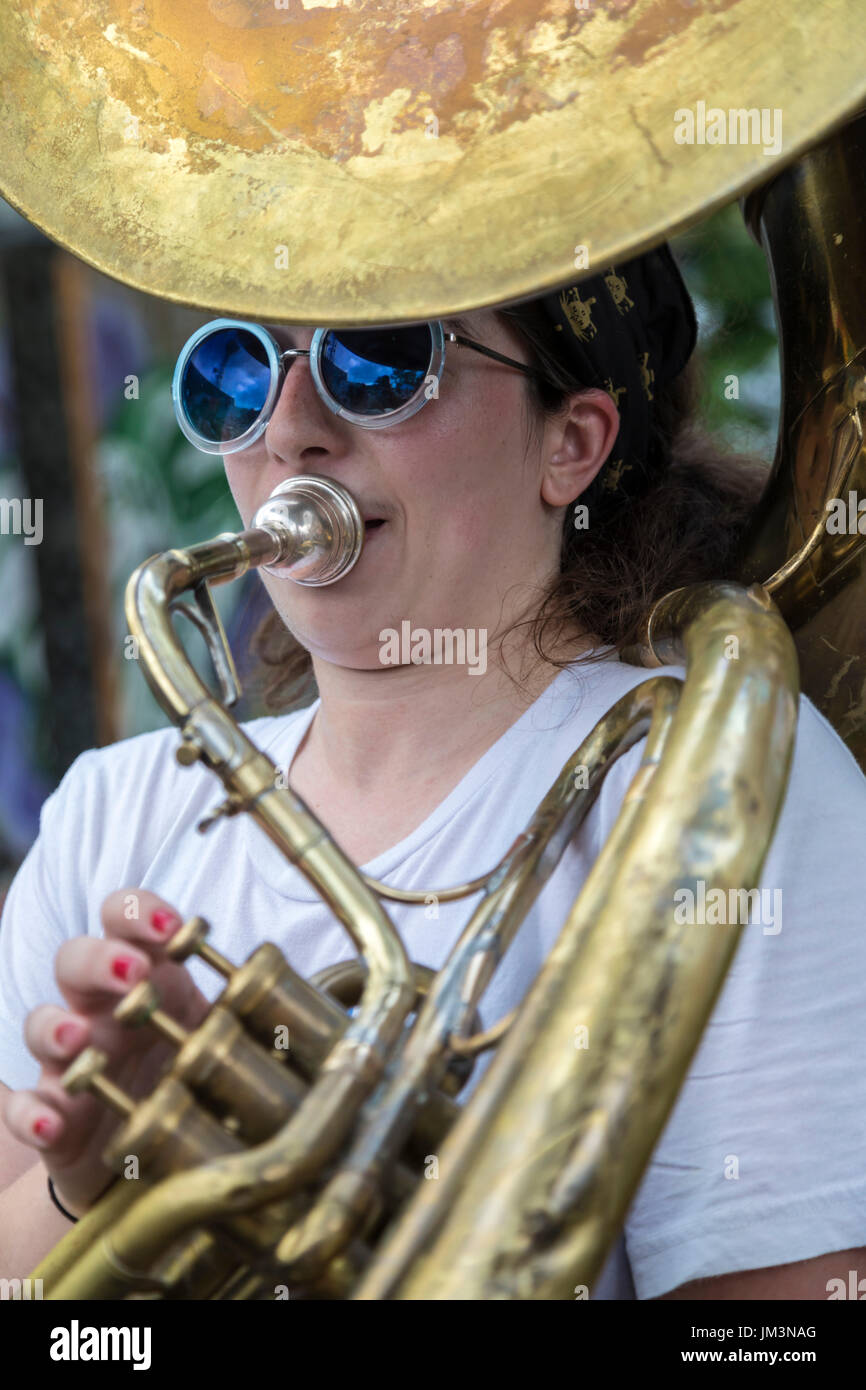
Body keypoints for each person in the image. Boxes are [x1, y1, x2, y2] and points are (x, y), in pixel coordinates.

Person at [1, 246, 865, 1301]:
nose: (288, 428)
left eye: (376, 359)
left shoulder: (711, 784)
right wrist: (93, 1191)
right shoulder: (111, 815)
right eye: (237, 369)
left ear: (570, 444)